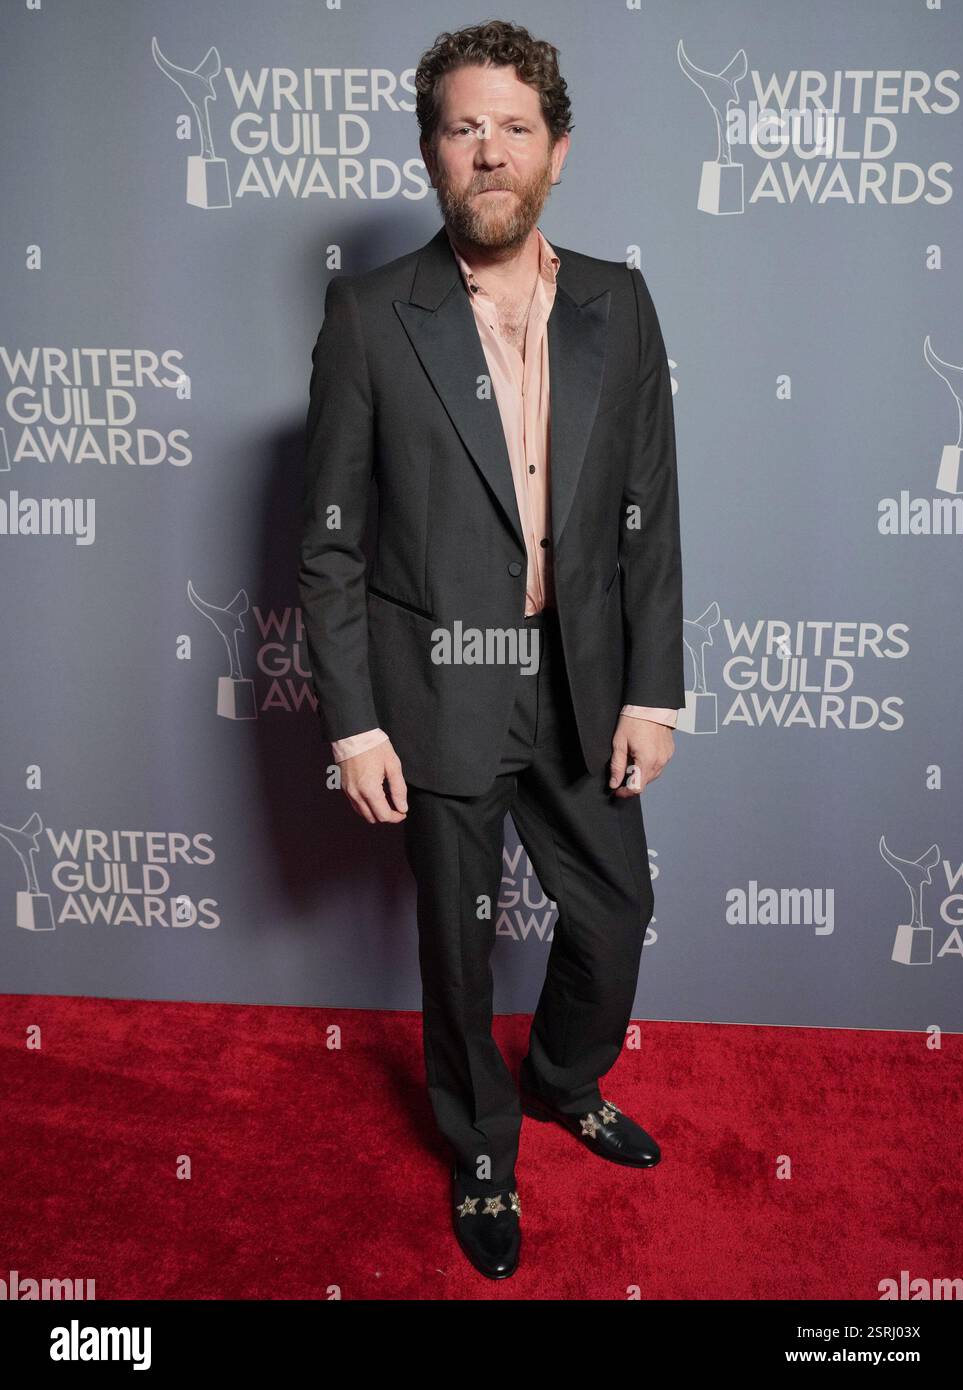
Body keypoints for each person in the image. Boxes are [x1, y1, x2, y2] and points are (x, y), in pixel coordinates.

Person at [299, 19, 685, 1280]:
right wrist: (354, 721)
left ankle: (563, 1080)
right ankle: (479, 1153)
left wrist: (653, 690)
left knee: (615, 912)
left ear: (557, 152)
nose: (489, 151)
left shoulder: (620, 308)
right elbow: (333, 541)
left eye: (513, 128)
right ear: (430, 154)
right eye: (464, 127)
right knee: (460, 952)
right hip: (436, 692)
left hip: (580, 683)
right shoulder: (367, 314)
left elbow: (652, 514)